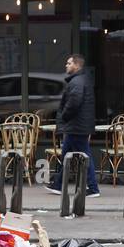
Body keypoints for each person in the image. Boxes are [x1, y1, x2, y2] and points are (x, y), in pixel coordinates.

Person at [45, 53, 101, 197]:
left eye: (69, 63)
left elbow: (74, 103)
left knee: (84, 156)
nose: (66, 65)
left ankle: (93, 188)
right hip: (77, 126)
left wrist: (64, 117)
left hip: (76, 126)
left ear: (77, 65)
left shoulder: (77, 82)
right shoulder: (80, 80)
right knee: (66, 156)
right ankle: (58, 185)